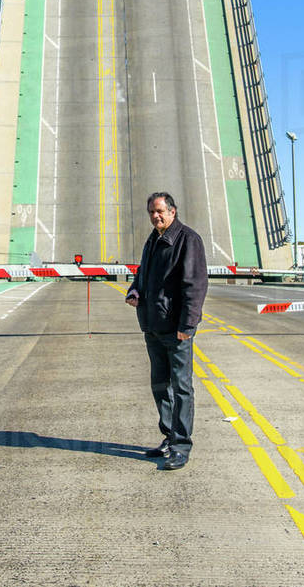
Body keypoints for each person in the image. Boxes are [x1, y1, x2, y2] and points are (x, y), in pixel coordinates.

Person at [124, 192, 207, 471]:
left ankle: (181, 445)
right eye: (151, 212)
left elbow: (194, 287)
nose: (155, 216)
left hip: (176, 329)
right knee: (160, 385)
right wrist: (134, 290)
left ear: (172, 211)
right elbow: (143, 275)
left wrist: (187, 326)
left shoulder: (187, 240)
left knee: (181, 387)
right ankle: (169, 437)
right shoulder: (153, 239)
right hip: (153, 326)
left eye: (159, 211)